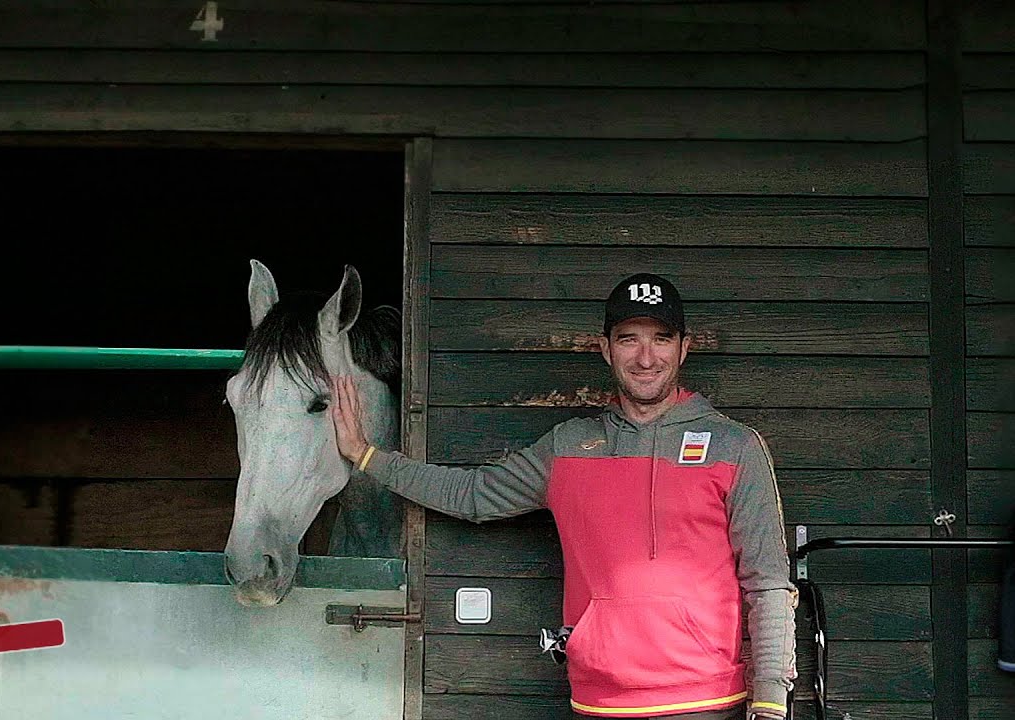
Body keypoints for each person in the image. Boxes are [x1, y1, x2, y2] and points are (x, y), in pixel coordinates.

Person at [332, 273, 798, 720]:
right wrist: (367, 455)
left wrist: (771, 700)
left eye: (660, 338)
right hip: (601, 699)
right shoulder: (568, 447)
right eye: (628, 338)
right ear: (605, 349)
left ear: (684, 348)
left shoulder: (734, 446)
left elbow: (769, 581)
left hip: (706, 699)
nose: (645, 356)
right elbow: (472, 494)